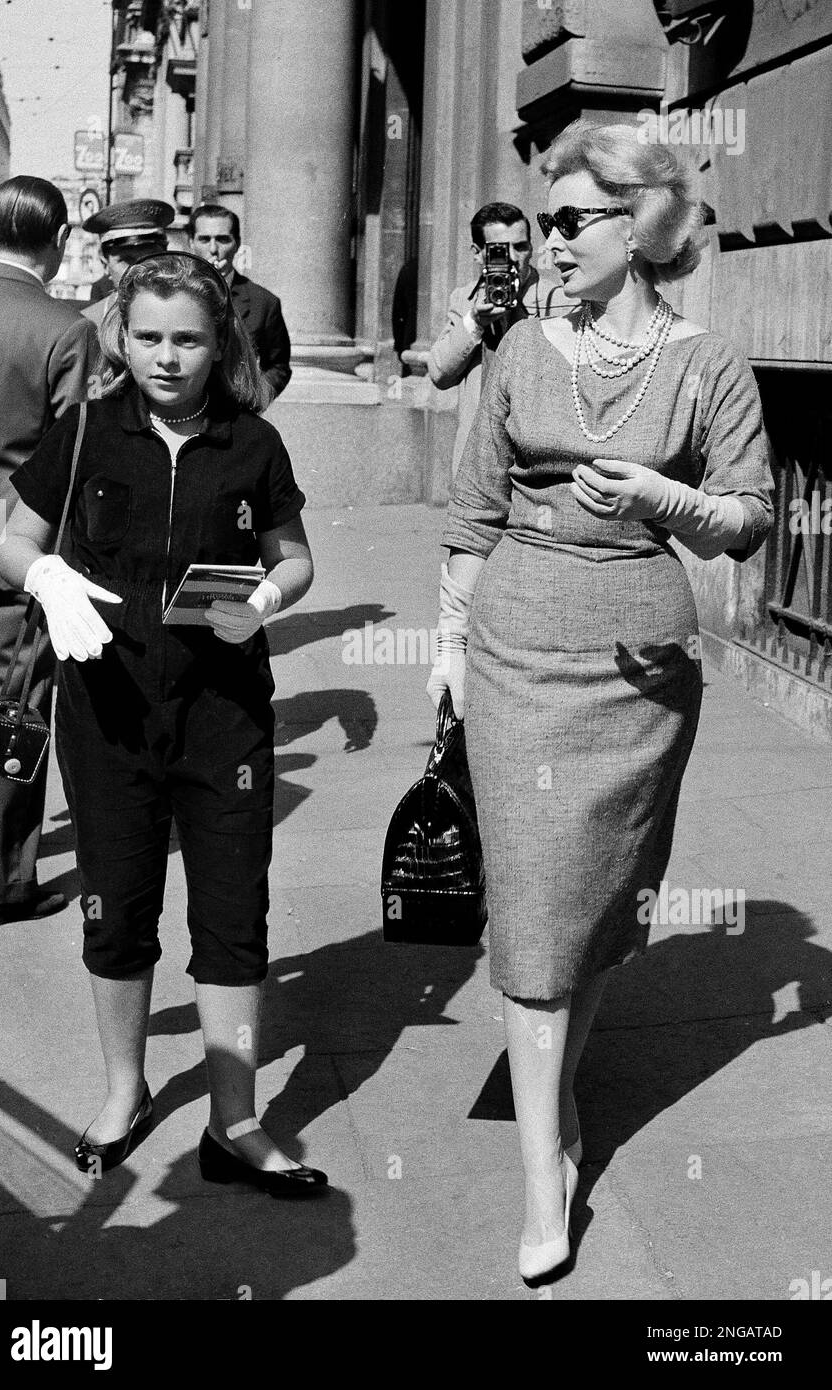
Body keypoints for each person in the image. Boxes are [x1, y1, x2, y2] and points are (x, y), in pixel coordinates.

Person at [426, 121, 775, 1284]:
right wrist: (444, 641)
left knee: (591, 901)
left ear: (639, 228)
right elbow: (473, 511)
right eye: (543, 225)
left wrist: (665, 497)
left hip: (638, 664)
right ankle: (545, 1169)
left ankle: (558, 1086)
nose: (549, 244)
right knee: (531, 904)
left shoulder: (706, 362)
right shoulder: (522, 347)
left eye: (570, 223)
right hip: (518, 645)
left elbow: (749, 512)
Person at [0, 252, 326, 1194]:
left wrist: (263, 597)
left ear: (220, 343)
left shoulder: (252, 443)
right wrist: (46, 577)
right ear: (121, 337)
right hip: (105, 710)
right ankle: (123, 1090)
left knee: (232, 911)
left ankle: (236, 1119)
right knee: (117, 902)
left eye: (187, 339)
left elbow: (294, 560)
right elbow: (12, 540)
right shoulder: (87, 429)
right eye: (148, 338)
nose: (167, 357)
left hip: (223, 714)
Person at [0, 175, 91, 927]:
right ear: (60, 239)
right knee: (7, 710)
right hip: (10, 551)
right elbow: (72, 454)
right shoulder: (64, 329)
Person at [428, 201, 569, 477]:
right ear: (478, 254)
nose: (513, 258)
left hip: (535, 459)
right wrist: (475, 322)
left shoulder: (560, 299)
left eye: (521, 246)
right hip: (478, 456)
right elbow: (439, 373)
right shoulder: (465, 299)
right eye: (499, 250)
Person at [188, 203, 292, 400]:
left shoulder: (264, 303)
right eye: (204, 239)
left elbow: (278, 367)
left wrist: (254, 401)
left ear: (237, 244)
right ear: (191, 242)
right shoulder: (174, 293)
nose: (213, 249)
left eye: (222, 240)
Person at [80, 198, 173, 330]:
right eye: (126, 260)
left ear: (165, 256)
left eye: (149, 258)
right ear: (104, 262)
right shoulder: (88, 326)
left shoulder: (187, 318)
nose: (139, 271)